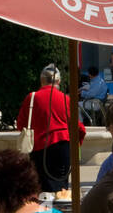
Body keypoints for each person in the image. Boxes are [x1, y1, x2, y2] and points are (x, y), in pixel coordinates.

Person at [17, 65, 86, 194]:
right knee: (61, 188)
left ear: (42, 80)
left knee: (42, 188)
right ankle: (59, 212)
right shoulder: (66, 99)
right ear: (58, 81)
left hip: (40, 149)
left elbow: (21, 125)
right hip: (62, 147)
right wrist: (78, 143)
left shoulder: (32, 98)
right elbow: (78, 127)